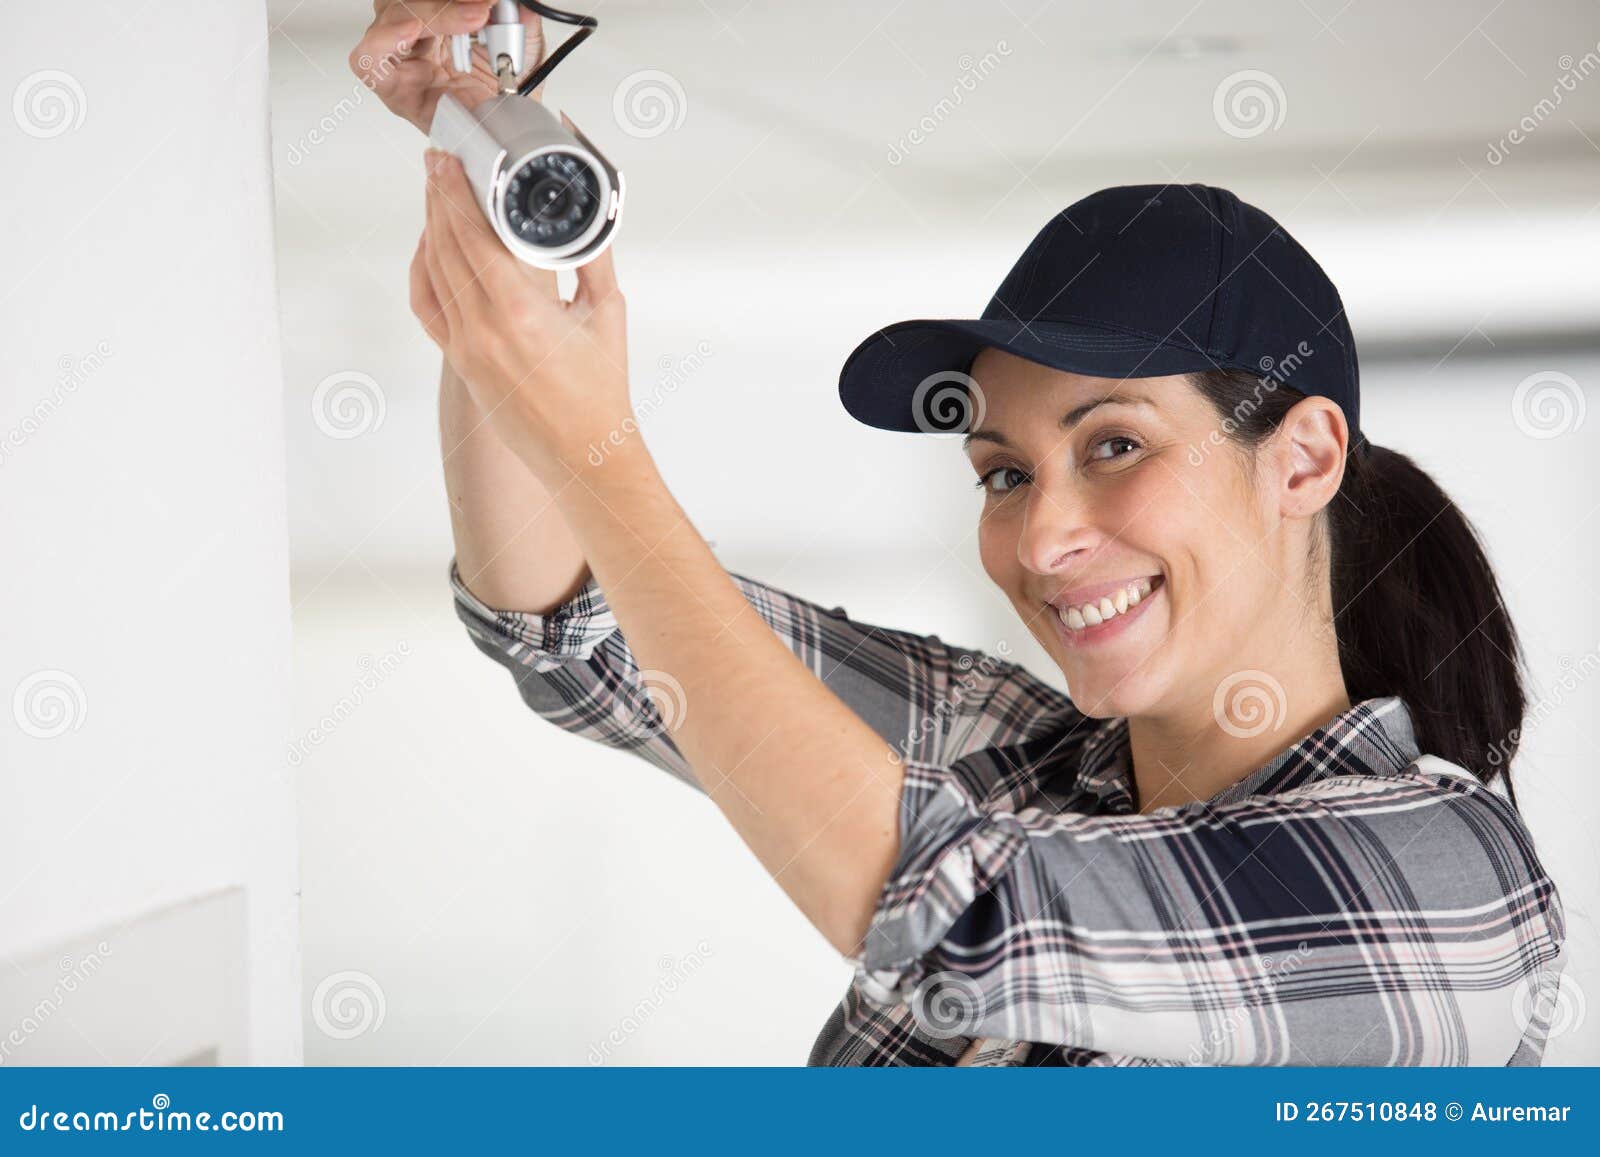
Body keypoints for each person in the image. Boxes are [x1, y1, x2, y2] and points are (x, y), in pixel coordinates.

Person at [352, 1, 1568, 1066]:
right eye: (1001, 472)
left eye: (1113, 446)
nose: (1041, 539)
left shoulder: (1452, 889)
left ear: (1301, 456)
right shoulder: (1016, 757)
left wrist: (593, 443)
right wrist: (485, 157)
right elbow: (574, 630)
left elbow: (952, 912)